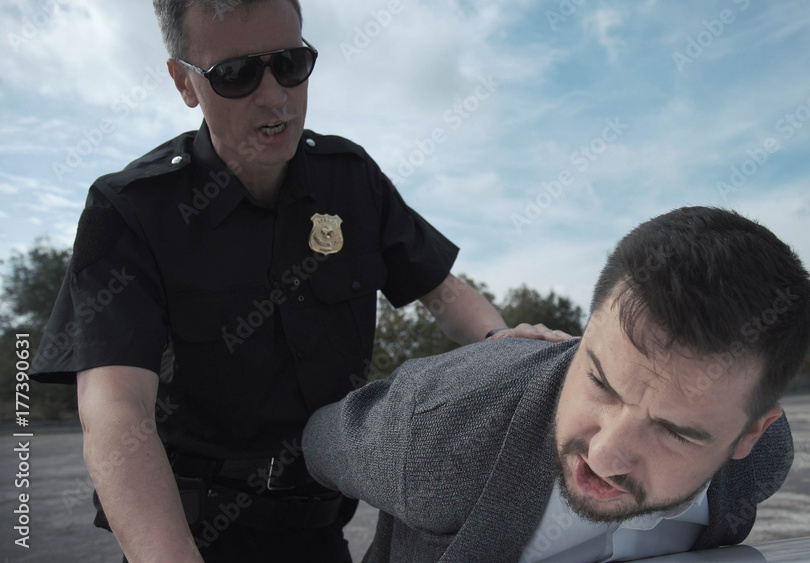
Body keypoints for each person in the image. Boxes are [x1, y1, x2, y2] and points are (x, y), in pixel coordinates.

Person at [27, 1, 569, 561]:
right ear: (185, 82)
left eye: (289, 64)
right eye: (235, 75)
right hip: (193, 538)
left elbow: (442, 290)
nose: (275, 97)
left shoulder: (350, 179)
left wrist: (496, 343)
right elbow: (116, 413)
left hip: (320, 534)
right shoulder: (130, 211)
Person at [303, 206, 810, 562]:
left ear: (750, 434)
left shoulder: (763, 459)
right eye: (601, 380)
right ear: (581, 334)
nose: (605, 455)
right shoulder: (435, 437)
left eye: (676, 432)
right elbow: (316, 441)